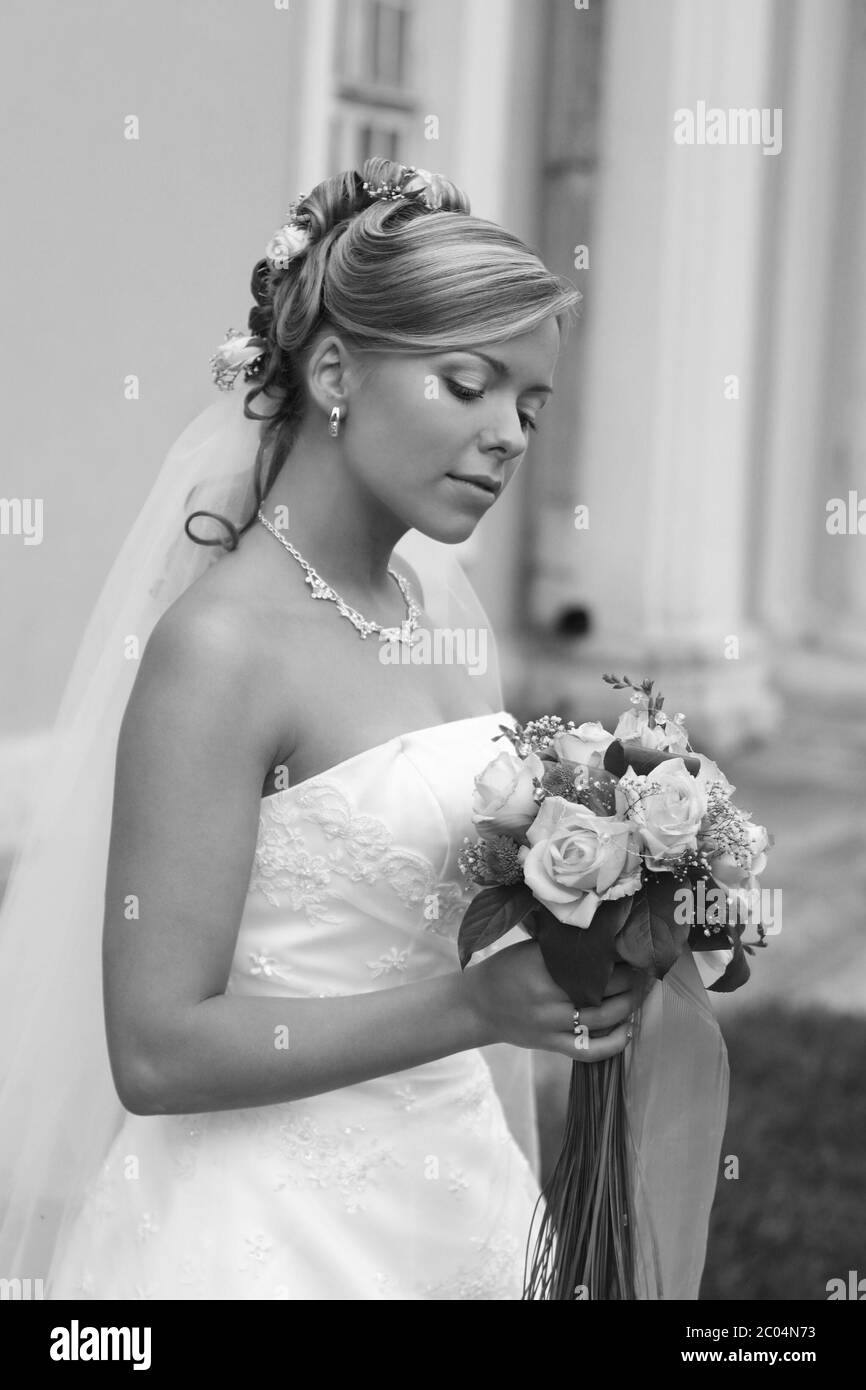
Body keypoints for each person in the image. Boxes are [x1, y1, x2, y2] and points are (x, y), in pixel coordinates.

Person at [0, 158, 728, 1300]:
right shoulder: (219, 647)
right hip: (265, 1240)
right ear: (334, 369)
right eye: (468, 384)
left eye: (529, 406)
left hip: (454, 1192)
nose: (507, 435)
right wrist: (472, 1007)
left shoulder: (435, 606)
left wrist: (610, 910)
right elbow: (152, 1048)